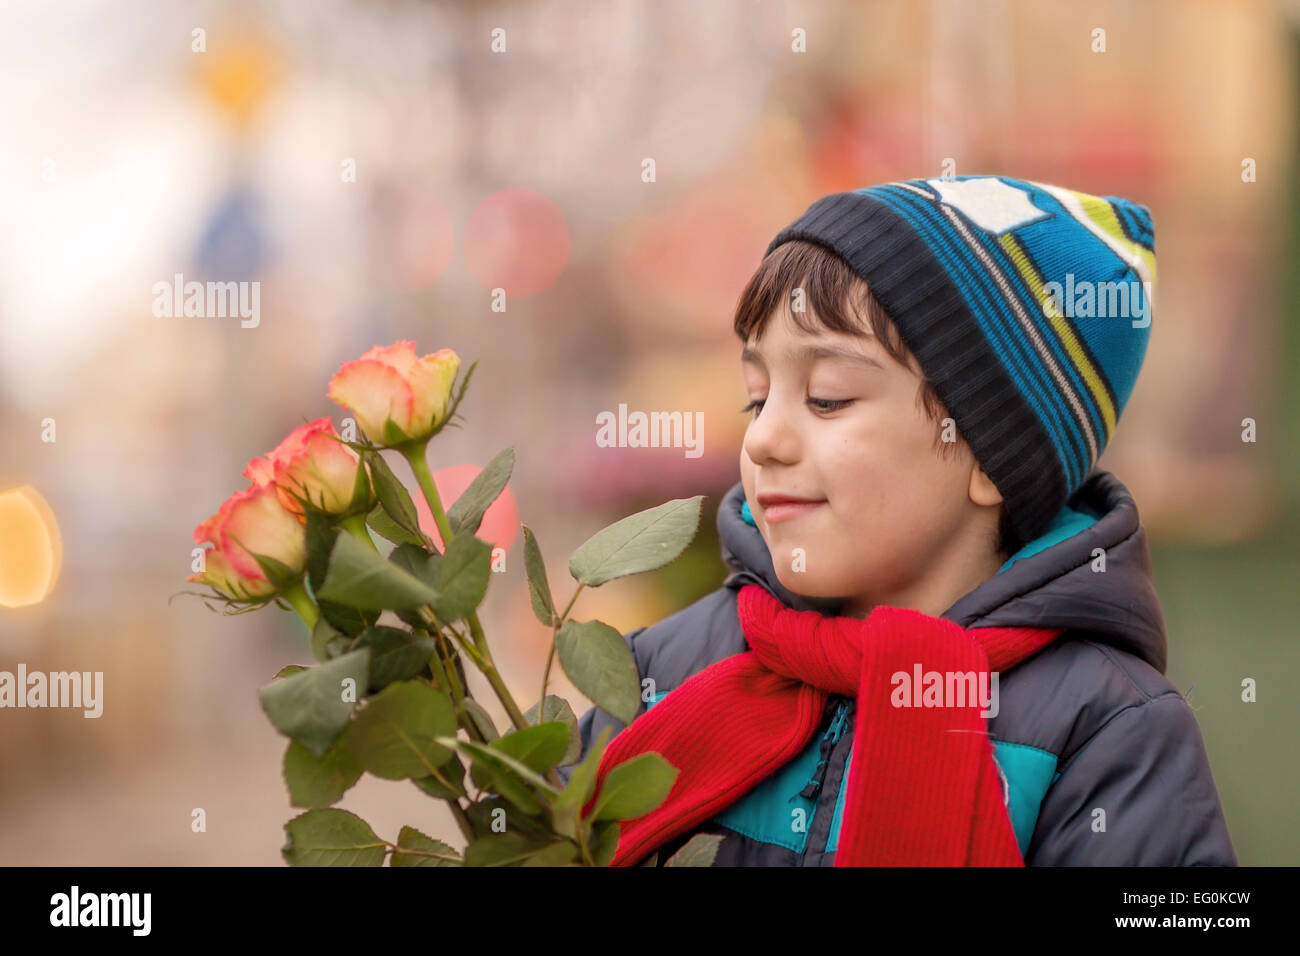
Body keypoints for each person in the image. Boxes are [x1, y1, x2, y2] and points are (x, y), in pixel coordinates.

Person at [567, 175, 1237, 867]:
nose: (764, 438)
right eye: (757, 398)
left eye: (826, 398)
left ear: (988, 456)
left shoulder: (1107, 731)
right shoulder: (668, 668)